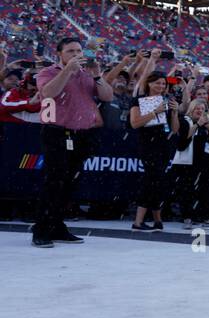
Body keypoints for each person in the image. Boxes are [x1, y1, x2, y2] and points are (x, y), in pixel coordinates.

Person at [32, 38, 120, 248]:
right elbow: (48, 94)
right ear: (59, 54)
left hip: (81, 134)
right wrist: (68, 70)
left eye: (79, 50)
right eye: (70, 51)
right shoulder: (49, 72)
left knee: (70, 183)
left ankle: (57, 225)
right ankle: (41, 229)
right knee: (54, 182)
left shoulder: (87, 73)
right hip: (55, 131)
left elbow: (107, 97)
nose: (76, 54)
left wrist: (97, 75)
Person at [128, 71, 182, 231]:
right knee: (151, 180)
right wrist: (154, 112)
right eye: (157, 83)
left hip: (163, 145)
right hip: (147, 145)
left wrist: (174, 112)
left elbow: (174, 129)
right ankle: (138, 222)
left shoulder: (167, 101)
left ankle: (157, 220)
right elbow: (135, 123)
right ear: (149, 83)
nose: (161, 86)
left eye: (163, 84)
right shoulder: (138, 100)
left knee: (158, 182)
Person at [170, 99, 209, 225]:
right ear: (191, 109)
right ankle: (187, 216)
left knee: (205, 190)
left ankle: (204, 215)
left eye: (202, 109)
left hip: (205, 162)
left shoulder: (208, 123)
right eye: (197, 108)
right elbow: (184, 136)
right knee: (188, 190)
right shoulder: (186, 120)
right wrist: (198, 124)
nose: (200, 111)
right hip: (188, 162)